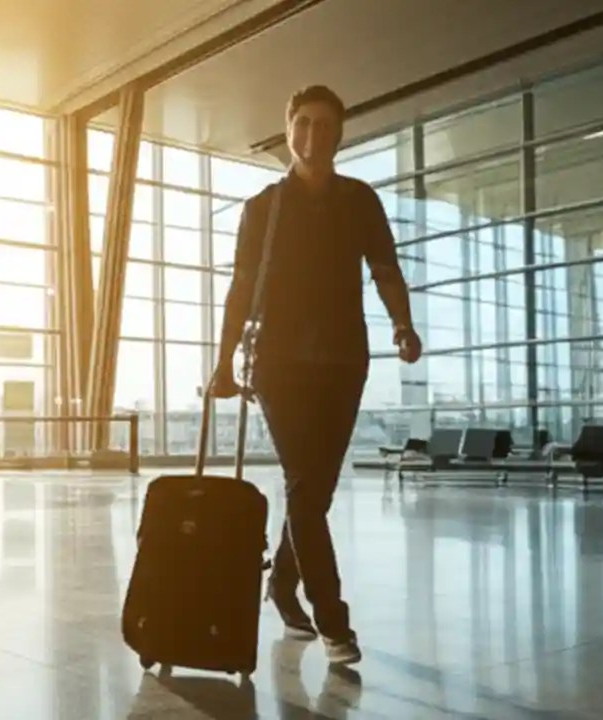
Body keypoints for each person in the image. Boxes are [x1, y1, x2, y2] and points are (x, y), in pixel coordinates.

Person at [211, 84, 422, 665]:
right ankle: (333, 620)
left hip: (343, 361)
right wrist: (222, 359)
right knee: (306, 487)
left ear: (339, 133)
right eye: (303, 123)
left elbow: (385, 269)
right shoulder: (263, 208)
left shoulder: (359, 201)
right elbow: (240, 288)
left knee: (314, 491)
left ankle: (281, 585)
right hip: (278, 364)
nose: (312, 136)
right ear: (288, 128)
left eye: (325, 125)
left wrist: (402, 325)